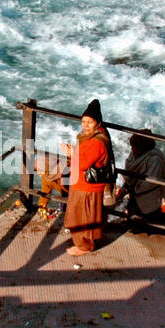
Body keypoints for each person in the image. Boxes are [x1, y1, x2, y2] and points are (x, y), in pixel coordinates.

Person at [60, 99, 112, 256]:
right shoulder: (100, 135)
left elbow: (82, 164)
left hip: (86, 187)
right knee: (88, 217)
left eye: (89, 122)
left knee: (80, 218)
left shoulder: (96, 142)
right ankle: (87, 242)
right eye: (84, 122)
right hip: (89, 186)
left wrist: (71, 153)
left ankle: (84, 246)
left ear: (97, 123)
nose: (86, 125)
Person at [115, 132, 165, 228]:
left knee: (156, 224)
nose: (132, 149)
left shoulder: (155, 160)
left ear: (143, 147)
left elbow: (150, 182)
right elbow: (129, 174)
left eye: (135, 147)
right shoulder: (134, 155)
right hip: (137, 192)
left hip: (154, 196)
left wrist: (132, 188)